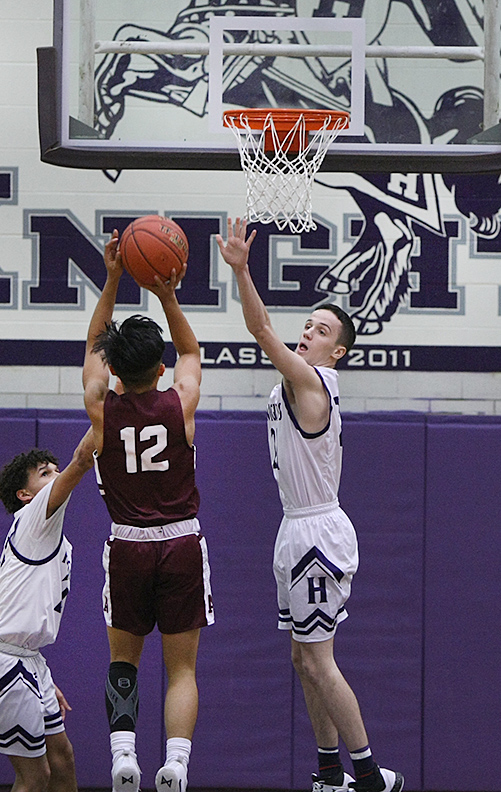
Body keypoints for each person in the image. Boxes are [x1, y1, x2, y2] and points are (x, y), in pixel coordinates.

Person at [216, 218, 404, 792]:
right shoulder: (292, 385)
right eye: (309, 324)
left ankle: (368, 773)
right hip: (296, 528)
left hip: (318, 531)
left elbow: (262, 331)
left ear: (337, 351)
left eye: (321, 329)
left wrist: (242, 271)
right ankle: (329, 770)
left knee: (320, 661)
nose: (308, 332)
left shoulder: (314, 383)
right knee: (302, 660)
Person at [83, 230, 214, 792]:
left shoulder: (101, 409)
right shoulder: (179, 402)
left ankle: (123, 758)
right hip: (181, 542)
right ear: (159, 371)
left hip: (128, 544)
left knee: (124, 661)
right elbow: (190, 351)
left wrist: (113, 277)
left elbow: (91, 348)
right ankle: (177, 766)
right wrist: (165, 293)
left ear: (114, 371)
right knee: (181, 668)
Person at [0, 428, 95, 792]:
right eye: (46, 472)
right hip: (4, 659)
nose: (56, 474)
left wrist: (39, 673)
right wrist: (110, 397)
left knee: (62, 759)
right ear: (26, 495)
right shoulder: (33, 516)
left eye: (55, 469)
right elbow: (83, 459)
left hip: (28, 658)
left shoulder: (46, 531)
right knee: (35, 776)